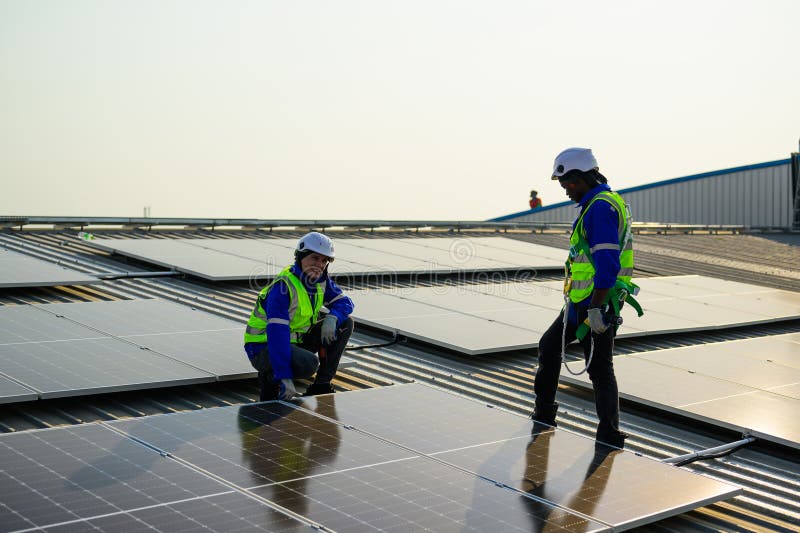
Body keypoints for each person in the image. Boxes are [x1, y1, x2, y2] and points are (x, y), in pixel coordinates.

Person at [530, 147, 639, 449]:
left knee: (596, 367)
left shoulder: (600, 208)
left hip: (594, 304)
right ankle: (553, 416)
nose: (565, 190)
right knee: (557, 350)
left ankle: (604, 433)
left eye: (568, 183)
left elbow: (607, 263)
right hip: (587, 303)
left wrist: (595, 309)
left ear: (582, 178)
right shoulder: (604, 202)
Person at [244, 232, 354, 401]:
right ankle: (271, 379)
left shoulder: (321, 281)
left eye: (324, 260)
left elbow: (345, 303)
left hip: (295, 342)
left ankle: (321, 385)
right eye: (315, 258)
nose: (319, 264)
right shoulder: (283, 288)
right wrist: (284, 375)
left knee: (345, 322)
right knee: (309, 363)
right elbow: (277, 334)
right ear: (301, 257)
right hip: (263, 347)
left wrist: (333, 317)